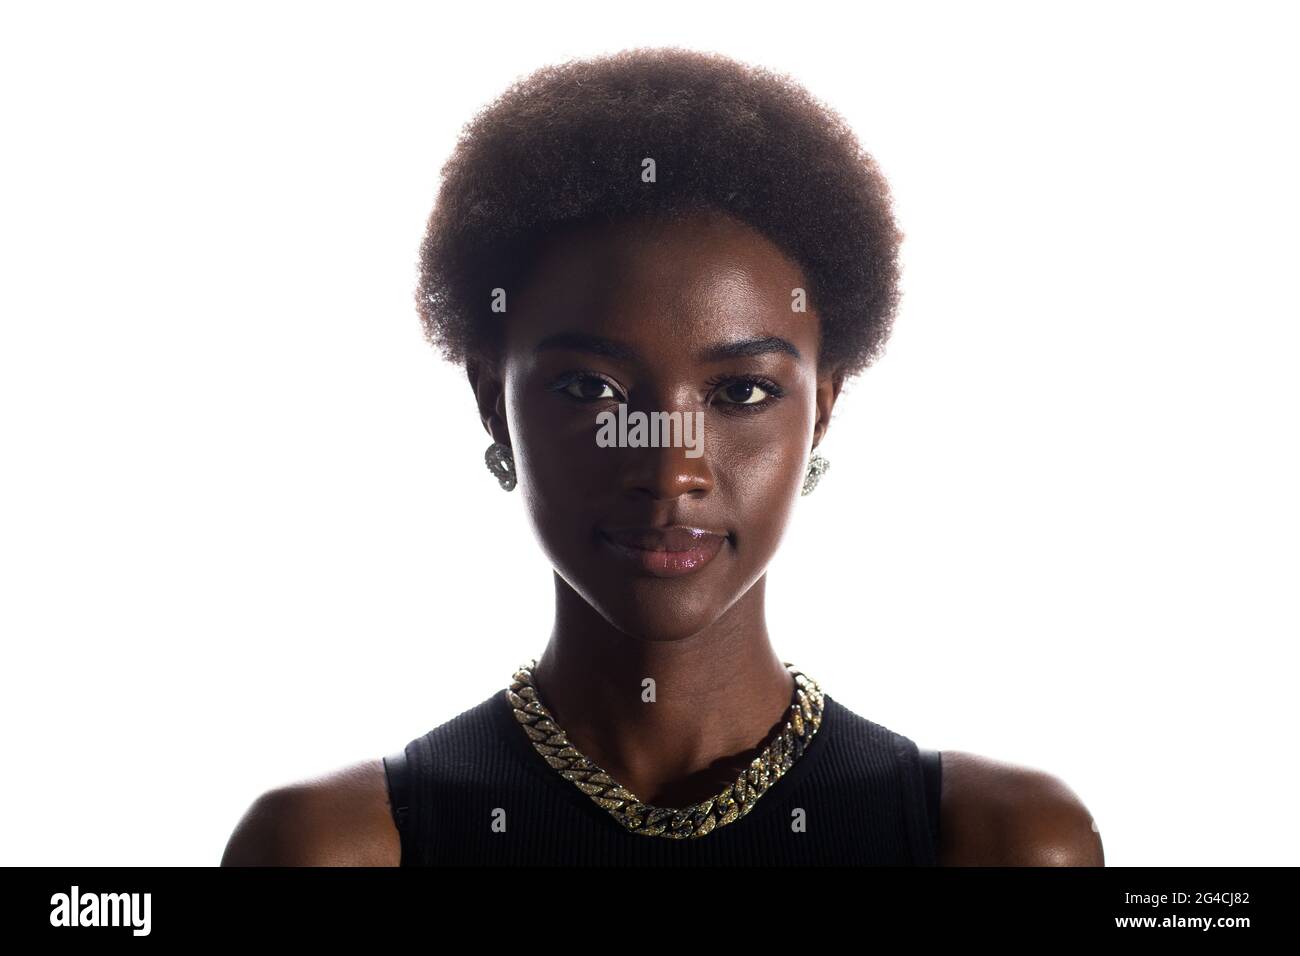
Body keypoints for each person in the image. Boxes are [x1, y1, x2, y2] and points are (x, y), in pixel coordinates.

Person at [221, 46, 1103, 866]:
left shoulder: (997, 844)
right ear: (493, 399)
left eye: (741, 393)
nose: (669, 466)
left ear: (824, 410)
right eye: (590, 390)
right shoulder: (339, 848)